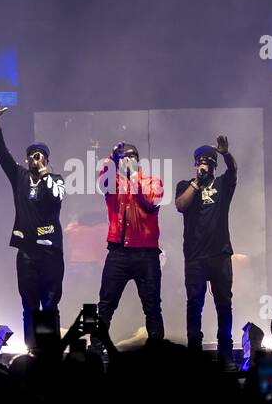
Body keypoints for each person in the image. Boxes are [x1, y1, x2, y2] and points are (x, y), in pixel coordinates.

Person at [0, 99, 66, 350]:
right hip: (27, 254)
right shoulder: (19, 177)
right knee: (28, 306)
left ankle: (50, 350)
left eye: (41, 155)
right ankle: (32, 349)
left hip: (50, 253)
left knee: (50, 304)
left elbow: (57, 197)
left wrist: (44, 174)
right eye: (33, 155)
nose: (36, 158)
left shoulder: (55, 179)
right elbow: (1, 153)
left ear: (46, 159)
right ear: (26, 159)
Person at [174, 135, 237, 358]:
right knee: (194, 304)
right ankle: (194, 352)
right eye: (201, 162)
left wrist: (226, 153)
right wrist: (196, 183)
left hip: (219, 255)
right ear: (195, 164)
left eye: (209, 162)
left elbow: (233, 171)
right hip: (195, 257)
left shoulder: (222, 185)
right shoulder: (185, 185)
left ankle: (226, 352)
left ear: (214, 165)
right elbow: (181, 206)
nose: (205, 165)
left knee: (223, 303)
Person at [96, 141, 164, 341]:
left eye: (131, 157)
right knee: (106, 304)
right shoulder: (114, 183)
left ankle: (156, 349)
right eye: (124, 157)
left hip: (146, 254)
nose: (128, 160)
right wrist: (111, 157)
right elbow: (101, 184)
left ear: (138, 161)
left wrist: (134, 176)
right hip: (118, 253)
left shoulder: (153, 181)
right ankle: (97, 349)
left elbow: (151, 200)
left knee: (152, 305)